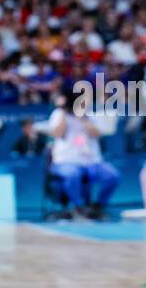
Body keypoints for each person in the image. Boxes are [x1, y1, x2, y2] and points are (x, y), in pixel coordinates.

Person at [47, 88, 119, 219]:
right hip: (66, 161)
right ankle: (79, 207)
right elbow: (58, 133)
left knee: (112, 176)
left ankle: (98, 206)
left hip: (92, 162)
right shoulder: (59, 113)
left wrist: (82, 118)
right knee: (72, 174)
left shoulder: (92, 114)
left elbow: (96, 133)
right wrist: (64, 111)